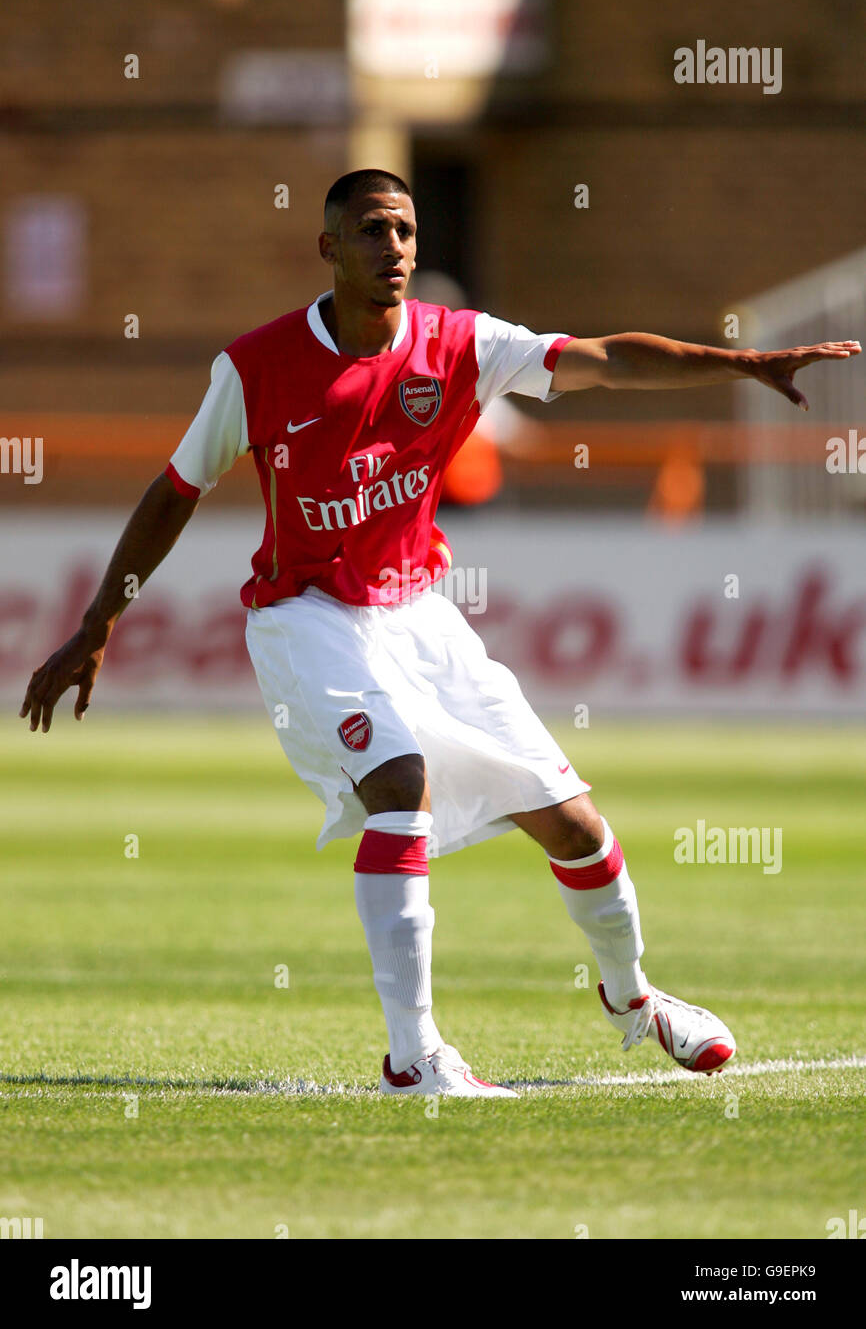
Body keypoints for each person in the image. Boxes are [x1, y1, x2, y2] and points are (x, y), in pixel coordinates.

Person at [20, 168, 860, 1098]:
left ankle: (635, 1002)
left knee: (577, 827)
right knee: (401, 785)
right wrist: (98, 623)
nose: (397, 249)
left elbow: (605, 359)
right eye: (375, 231)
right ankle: (413, 1054)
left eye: (409, 232)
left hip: (421, 618)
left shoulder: (462, 345)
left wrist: (739, 365)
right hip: (306, 618)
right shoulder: (254, 368)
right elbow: (174, 491)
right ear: (330, 248)